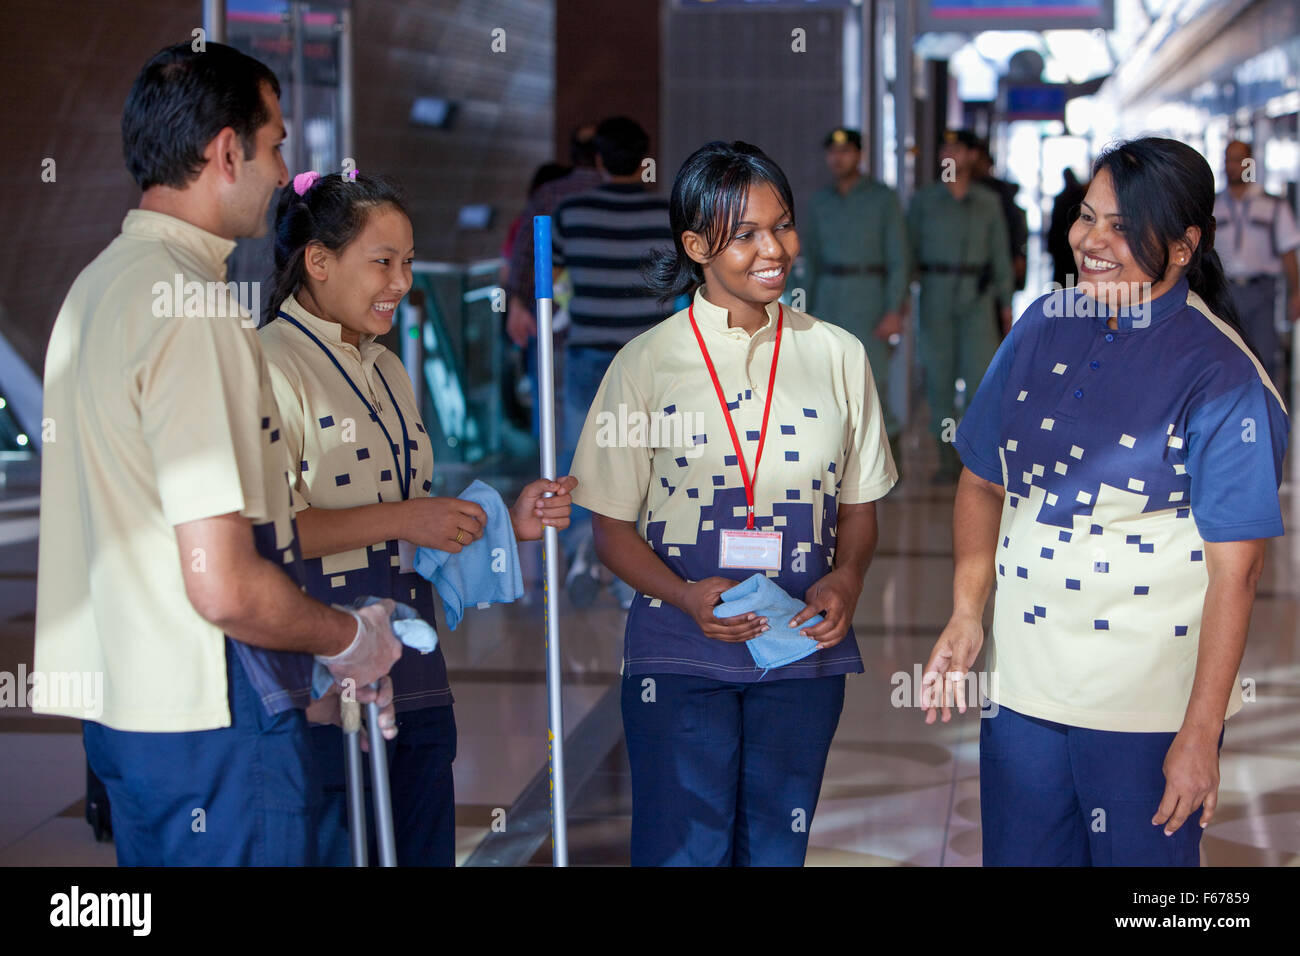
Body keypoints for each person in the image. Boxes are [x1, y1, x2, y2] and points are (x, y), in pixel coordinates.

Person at [34, 42, 402, 866]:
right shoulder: (193, 309)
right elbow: (223, 582)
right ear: (226, 150)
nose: (282, 174)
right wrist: (348, 638)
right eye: (274, 146)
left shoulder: (95, 289)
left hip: (129, 718)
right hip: (211, 719)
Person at [923, 137, 1288, 866]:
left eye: (1121, 227)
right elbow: (983, 476)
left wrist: (1199, 732)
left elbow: (1235, 574)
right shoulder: (1040, 324)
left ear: (1184, 246)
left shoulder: (1224, 378)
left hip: (1145, 707)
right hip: (1026, 690)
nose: (1091, 240)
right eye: (1088, 217)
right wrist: (967, 611)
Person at [570, 141, 897, 865]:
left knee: (776, 848)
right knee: (684, 847)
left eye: (781, 225)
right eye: (744, 234)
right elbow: (612, 530)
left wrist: (846, 578)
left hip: (800, 645)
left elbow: (860, 504)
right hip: (682, 648)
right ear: (695, 245)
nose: (773, 248)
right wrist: (685, 597)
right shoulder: (646, 365)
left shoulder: (838, 354)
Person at [259, 170, 578, 865]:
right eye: (383, 262)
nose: (402, 282)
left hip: (413, 659)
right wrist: (407, 516)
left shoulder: (388, 367)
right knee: (340, 845)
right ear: (318, 261)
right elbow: (275, 529)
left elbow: (414, 524)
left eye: (407, 262)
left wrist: (504, 524)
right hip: (326, 665)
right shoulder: (267, 365)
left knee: (423, 844)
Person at [551, 116, 673, 608]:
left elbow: (555, 275)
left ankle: (582, 552)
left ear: (598, 159)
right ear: (643, 161)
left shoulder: (571, 212)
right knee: (645, 461)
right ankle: (634, 574)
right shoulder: (666, 214)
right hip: (649, 360)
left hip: (588, 353)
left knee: (584, 457)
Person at [908, 129, 1014, 484]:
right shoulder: (924, 202)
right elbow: (908, 252)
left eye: (957, 148)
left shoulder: (987, 202)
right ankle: (945, 458)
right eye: (945, 146)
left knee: (979, 381)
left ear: (970, 156)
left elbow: (1000, 256)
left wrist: (1005, 304)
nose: (949, 153)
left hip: (978, 298)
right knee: (938, 381)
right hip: (936, 294)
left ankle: (974, 458)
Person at [800, 127, 909, 470]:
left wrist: (894, 309)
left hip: (869, 297)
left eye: (845, 152)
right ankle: (842, 459)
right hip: (829, 298)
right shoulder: (819, 202)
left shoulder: (882, 198)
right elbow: (810, 262)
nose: (837, 158)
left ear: (859, 155)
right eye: (832, 152)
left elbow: (899, 258)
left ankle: (889, 452)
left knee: (870, 380)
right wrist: (803, 310)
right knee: (828, 382)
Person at [1213, 139, 1300, 385]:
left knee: (1263, 359)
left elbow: (1288, 251)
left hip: (1261, 293)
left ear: (1250, 163)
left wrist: (1296, 293)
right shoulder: (1212, 206)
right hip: (1223, 293)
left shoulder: (1273, 206)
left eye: (1238, 159)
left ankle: (1264, 418)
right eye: (1228, 159)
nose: (1232, 165)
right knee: (1224, 357)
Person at [1047, 167, 1088, 289]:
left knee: (1062, 278)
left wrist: (1051, 246)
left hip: (1062, 245)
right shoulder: (1081, 197)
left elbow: (1054, 225)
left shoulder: (1061, 198)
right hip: (1070, 246)